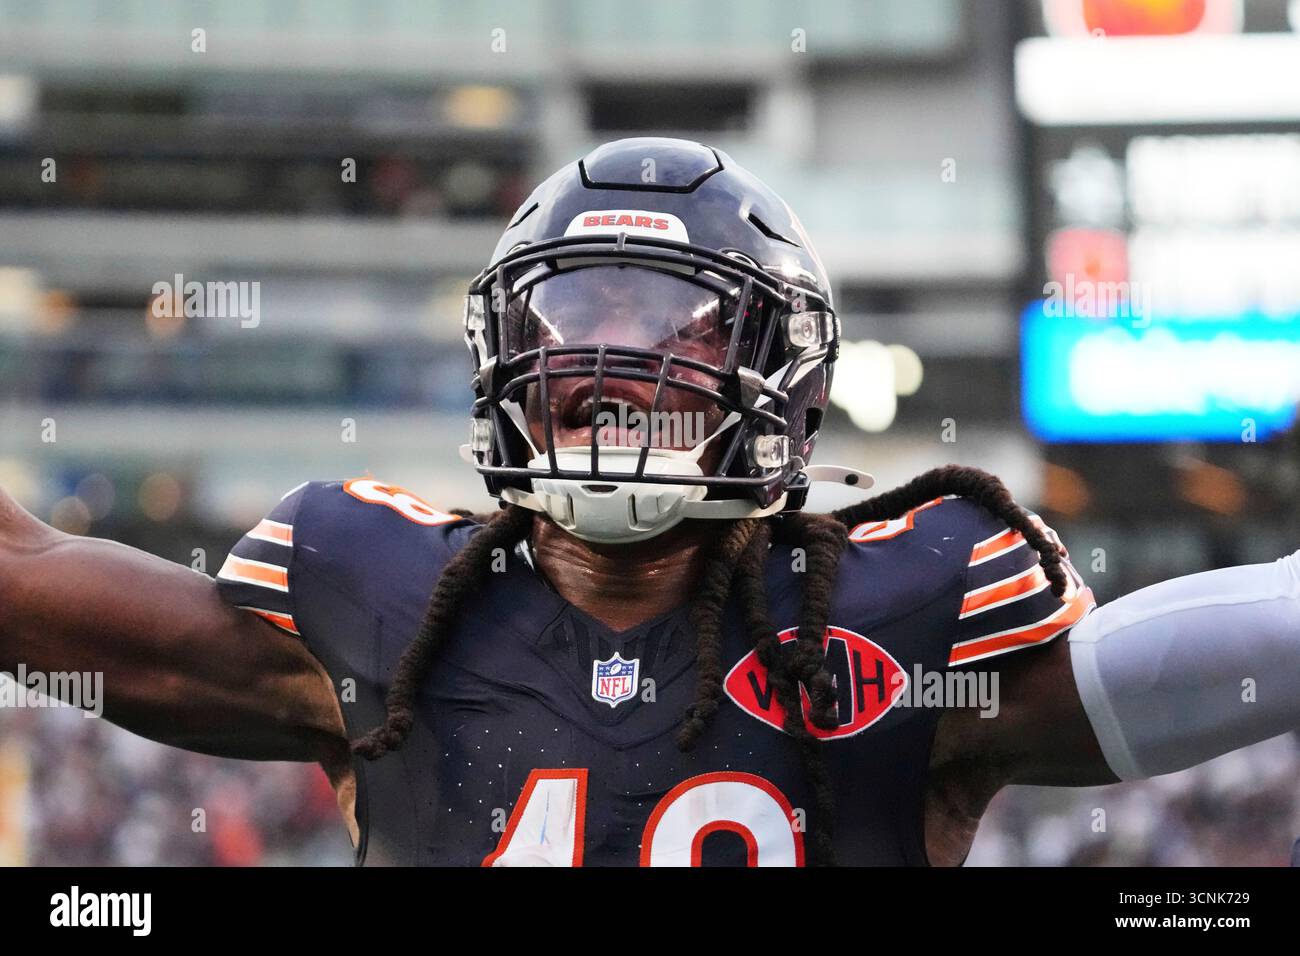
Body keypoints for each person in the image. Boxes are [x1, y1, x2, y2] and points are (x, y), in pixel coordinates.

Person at [3, 137, 1298, 866]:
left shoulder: (911, 606)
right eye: (570, 322)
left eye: (670, 331)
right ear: (503, 354)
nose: (606, 368)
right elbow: (27, 586)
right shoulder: (374, 597)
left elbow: (1238, 647)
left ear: (781, 380)